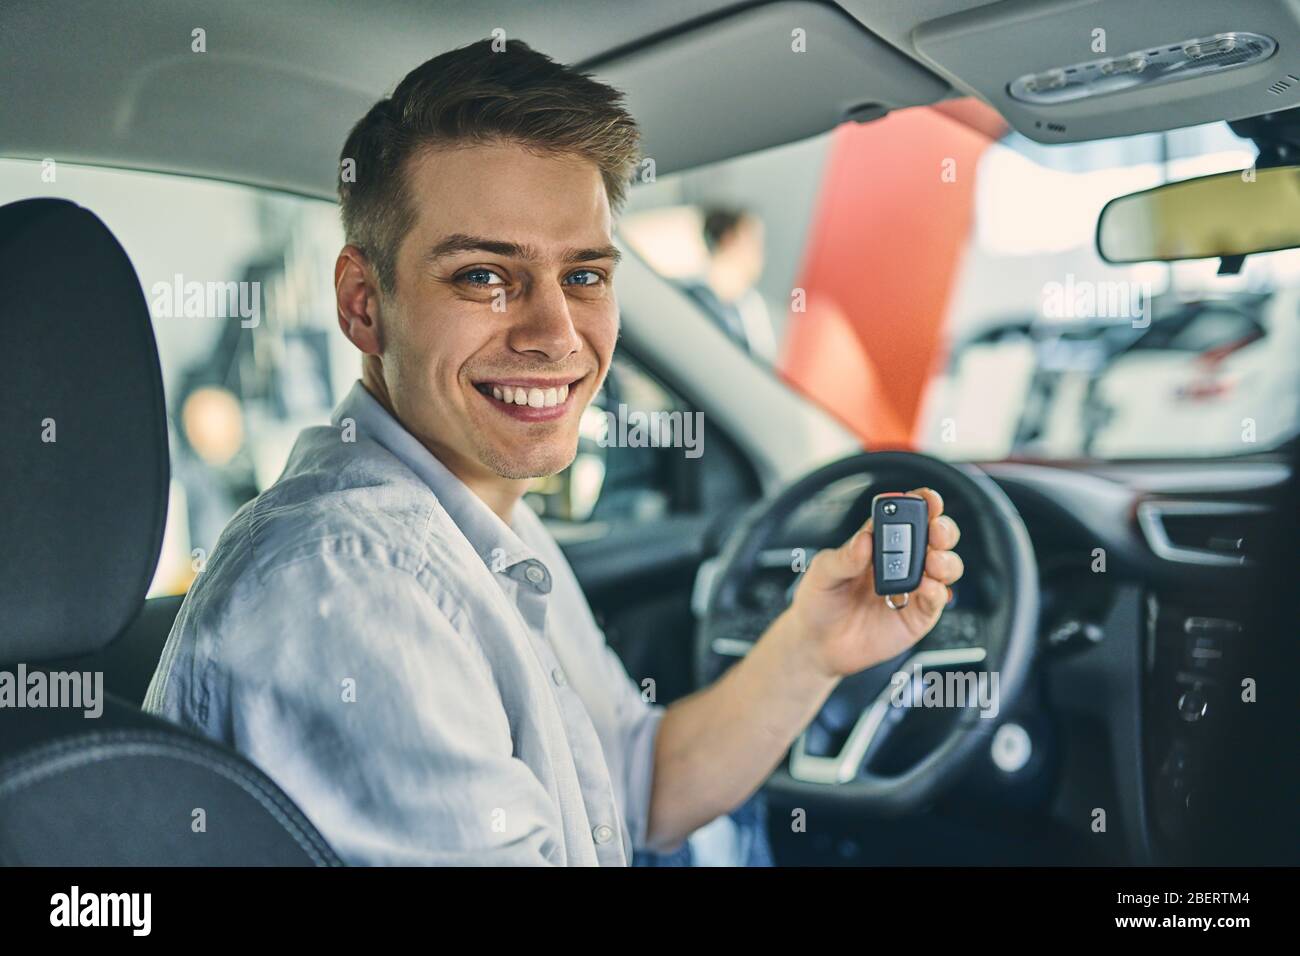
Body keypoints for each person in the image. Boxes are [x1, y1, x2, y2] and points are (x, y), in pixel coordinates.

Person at [144, 38, 964, 866]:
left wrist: (814, 647)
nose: (555, 335)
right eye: (483, 277)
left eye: (583, 276)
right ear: (364, 305)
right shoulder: (352, 587)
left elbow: (633, 790)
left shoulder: (478, 518)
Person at [680, 208, 777, 361]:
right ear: (729, 239)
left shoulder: (751, 306)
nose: (761, 254)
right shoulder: (690, 295)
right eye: (754, 242)